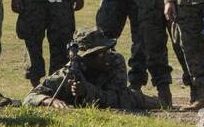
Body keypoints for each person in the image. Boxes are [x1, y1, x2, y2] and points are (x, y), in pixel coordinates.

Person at [22, 29, 154, 110]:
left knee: (143, 100)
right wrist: (49, 101)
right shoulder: (70, 71)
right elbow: (29, 97)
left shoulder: (115, 61)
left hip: (133, 99)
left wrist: (86, 91)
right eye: (100, 54)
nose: (107, 56)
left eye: (107, 50)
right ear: (86, 58)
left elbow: (118, 99)